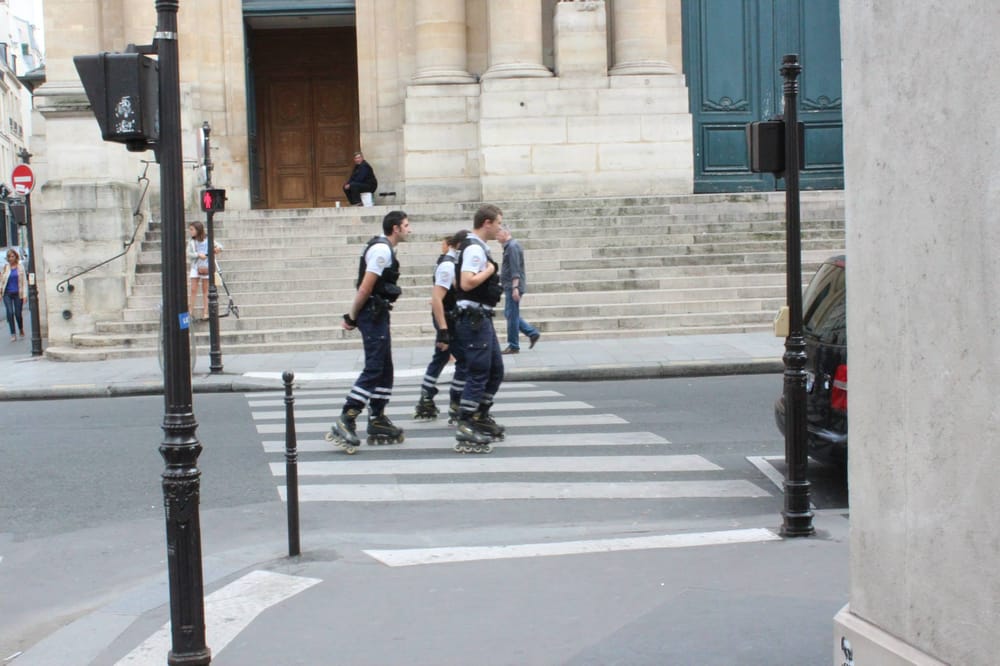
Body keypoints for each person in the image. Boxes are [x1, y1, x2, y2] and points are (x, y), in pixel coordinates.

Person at [326, 210, 411, 453]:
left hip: (377, 312)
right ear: (395, 228)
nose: (409, 229)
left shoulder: (384, 248)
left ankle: (377, 418)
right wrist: (351, 317)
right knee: (375, 367)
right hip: (371, 313)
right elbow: (365, 287)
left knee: (385, 366)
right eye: (406, 225)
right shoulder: (382, 251)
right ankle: (347, 417)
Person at [451, 204, 507, 454]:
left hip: (480, 316)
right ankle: (465, 421)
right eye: (498, 223)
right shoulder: (474, 249)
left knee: (495, 368)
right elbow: (465, 281)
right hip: (474, 318)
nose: (499, 228)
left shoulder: (474, 247)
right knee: (479, 371)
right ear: (487, 223)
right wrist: (490, 270)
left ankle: (480, 414)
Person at [413, 230, 469, 421]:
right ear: (459, 246)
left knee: (441, 356)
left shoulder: (452, 263)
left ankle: (426, 396)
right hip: (447, 318)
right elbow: (437, 298)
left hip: (448, 317)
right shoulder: (448, 265)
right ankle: (456, 403)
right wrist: (444, 329)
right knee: (463, 360)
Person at [497, 226, 540, 354]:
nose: (496, 236)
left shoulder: (512, 247)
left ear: (505, 233)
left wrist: (515, 287)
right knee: (510, 314)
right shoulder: (510, 246)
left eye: (498, 234)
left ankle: (514, 345)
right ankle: (532, 333)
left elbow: (515, 269)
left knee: (512, 315)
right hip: (511, 286)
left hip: (513, 286)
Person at [186, 221, 216, 320]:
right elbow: (188, 253)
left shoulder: (208, 239)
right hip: (195, 266)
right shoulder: (192, 241)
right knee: (193, 289)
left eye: (192, 229)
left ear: (198, 230)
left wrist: (215, 250)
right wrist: (198, 255)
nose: (190, 231)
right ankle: (190, 312)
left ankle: (205, 312)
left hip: (206, 266)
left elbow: (219, 247)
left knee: (205, 290)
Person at [1, 248, 27, 342]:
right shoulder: (5, 267)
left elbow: (24, 282)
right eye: (9, 257)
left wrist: (24, 295)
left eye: (12, 256)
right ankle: (13, 333)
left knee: (18, 313)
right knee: (10, 313)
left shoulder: (20, 267)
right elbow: (2, 281)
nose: (11, 258)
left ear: (16, 257)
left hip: (18, 293)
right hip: (7, 293)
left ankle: (20, 328)